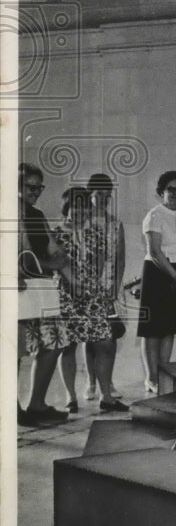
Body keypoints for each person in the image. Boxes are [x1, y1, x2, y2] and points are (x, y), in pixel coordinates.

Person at [56, 188, 129, 413]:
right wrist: (73, 283)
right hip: (65, 295)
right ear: (67, 208)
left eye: (85, 207)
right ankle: (70, 397)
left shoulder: (95, 232)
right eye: (75, 206)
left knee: (105, 342)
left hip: (92, 294)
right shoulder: (55, 233)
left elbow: (98, 265)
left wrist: (91, 288)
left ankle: (106, 396)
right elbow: (54, 265)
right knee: (68, 346)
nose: (81, 211)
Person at [17, 163, 70, 426]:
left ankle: (36, 405)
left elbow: (53, 250)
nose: (36, 192)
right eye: (31, 187)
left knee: (56, 343)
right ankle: (12, 409)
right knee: (13, 351)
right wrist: (46, 264)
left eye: (40, 188)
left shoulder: (37, 215)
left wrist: (55, 260)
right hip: (15, 291)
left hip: (40, 290)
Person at [136, 170, 176, 391]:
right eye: (171, 189)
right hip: (157, 271)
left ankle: (163, 375)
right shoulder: (154, 215)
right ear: (161, 192)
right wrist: (175, 276)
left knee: (169, 327)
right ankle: (151, 378)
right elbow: (155, 251)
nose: (175, 193)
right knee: (153, 329)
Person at [83, 173, 126, 401]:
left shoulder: (115, 224)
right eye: (99, 194)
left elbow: (120, 260)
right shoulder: (82, 222)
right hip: (86, 287)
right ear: (89, 194)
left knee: (110, 336)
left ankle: (107, 382)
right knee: (90, 336)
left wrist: (114, 289)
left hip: (109, 286)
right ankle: (91, 382)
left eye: (107, 195)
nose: (103, 199)